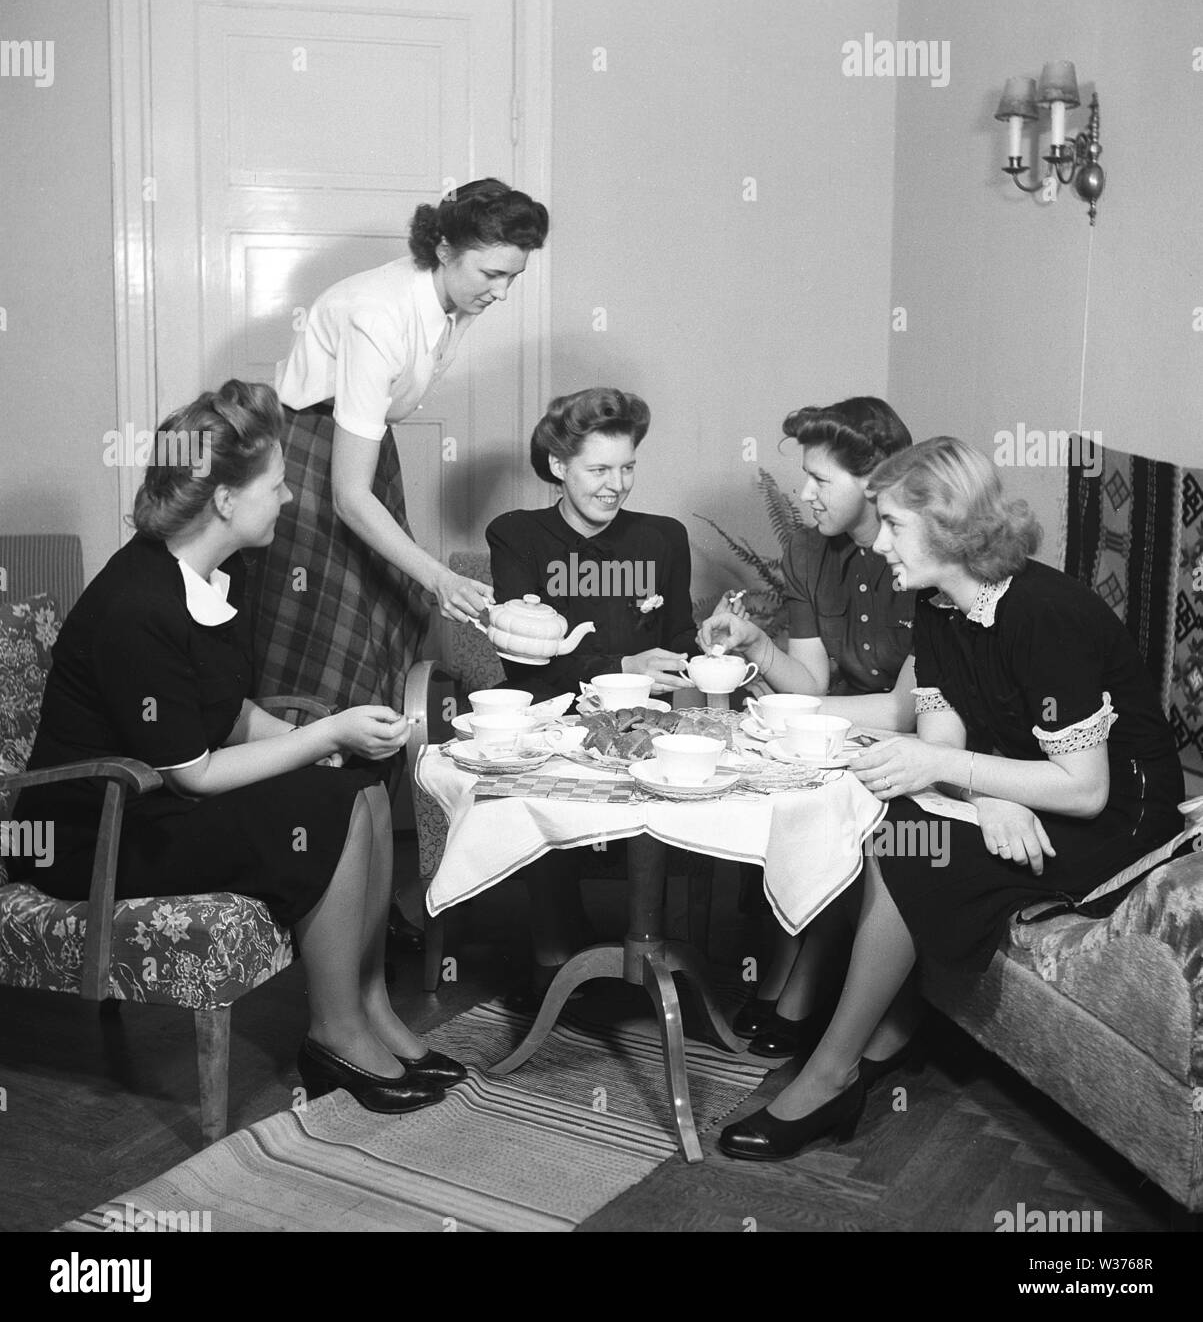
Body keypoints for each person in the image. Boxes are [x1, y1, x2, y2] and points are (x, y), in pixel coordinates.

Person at [718, 436, 1184, 1161]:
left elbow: (1086, 791)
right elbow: (942, 740)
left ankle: (834, 1071)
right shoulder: (937, 606)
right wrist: (983, 795)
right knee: (888, 818)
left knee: (915, 842)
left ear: (950, 527)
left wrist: (963, 775)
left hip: (1121, 815)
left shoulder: (1044, 613)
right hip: (1028, 786)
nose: (879, 547)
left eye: (895, 527)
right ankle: (885, 1033)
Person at [13, 382, 466, 1113]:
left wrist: (317, 744)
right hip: (95, 829)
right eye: (278, 484)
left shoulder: (218, 573)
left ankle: (375, 1007)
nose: (288, 499)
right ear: (225, 499)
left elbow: (222, 713)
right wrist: (323, 732)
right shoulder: (138, 604)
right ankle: (335, 1034)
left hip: (158, 795)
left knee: (358, 785)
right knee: (331, 801)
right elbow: (193, 772)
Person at [248, 179, 549, 714]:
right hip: (313, 460)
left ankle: (371, 788)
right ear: (444, 250)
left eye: (513, 277)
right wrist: (440, 578)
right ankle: (319, 777)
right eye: (493, 274)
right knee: (334, 630)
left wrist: (433, 582)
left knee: (390, 615)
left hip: (362, 445)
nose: (502, 293)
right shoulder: (379, 315)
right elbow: (349, 496)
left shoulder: (456, 296)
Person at [697, 398, 918, 1055]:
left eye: (820, 480)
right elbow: (814, 681)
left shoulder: (917, 555)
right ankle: (784, 972)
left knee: (835, 802)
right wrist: (758, 647)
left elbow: (904, 711)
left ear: (875, 482)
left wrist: (780, 715)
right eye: (805, 477)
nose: (803, 493)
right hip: (840, 722)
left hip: (920, 736)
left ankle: (802, 980)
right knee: (786, 793)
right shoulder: (808, 551)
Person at [485, 387, 697, 998]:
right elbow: (524, 660)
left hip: (646, 726)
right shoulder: (517, 535)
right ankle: (556, 957)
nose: (616, 485)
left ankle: (650, 946)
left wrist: (701, 652)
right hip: (553, 714)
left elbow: (679, 638)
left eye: (627, 467)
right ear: (558, 466)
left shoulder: (663, 537)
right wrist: (624, 661)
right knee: (543, 786)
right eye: (599, 469)